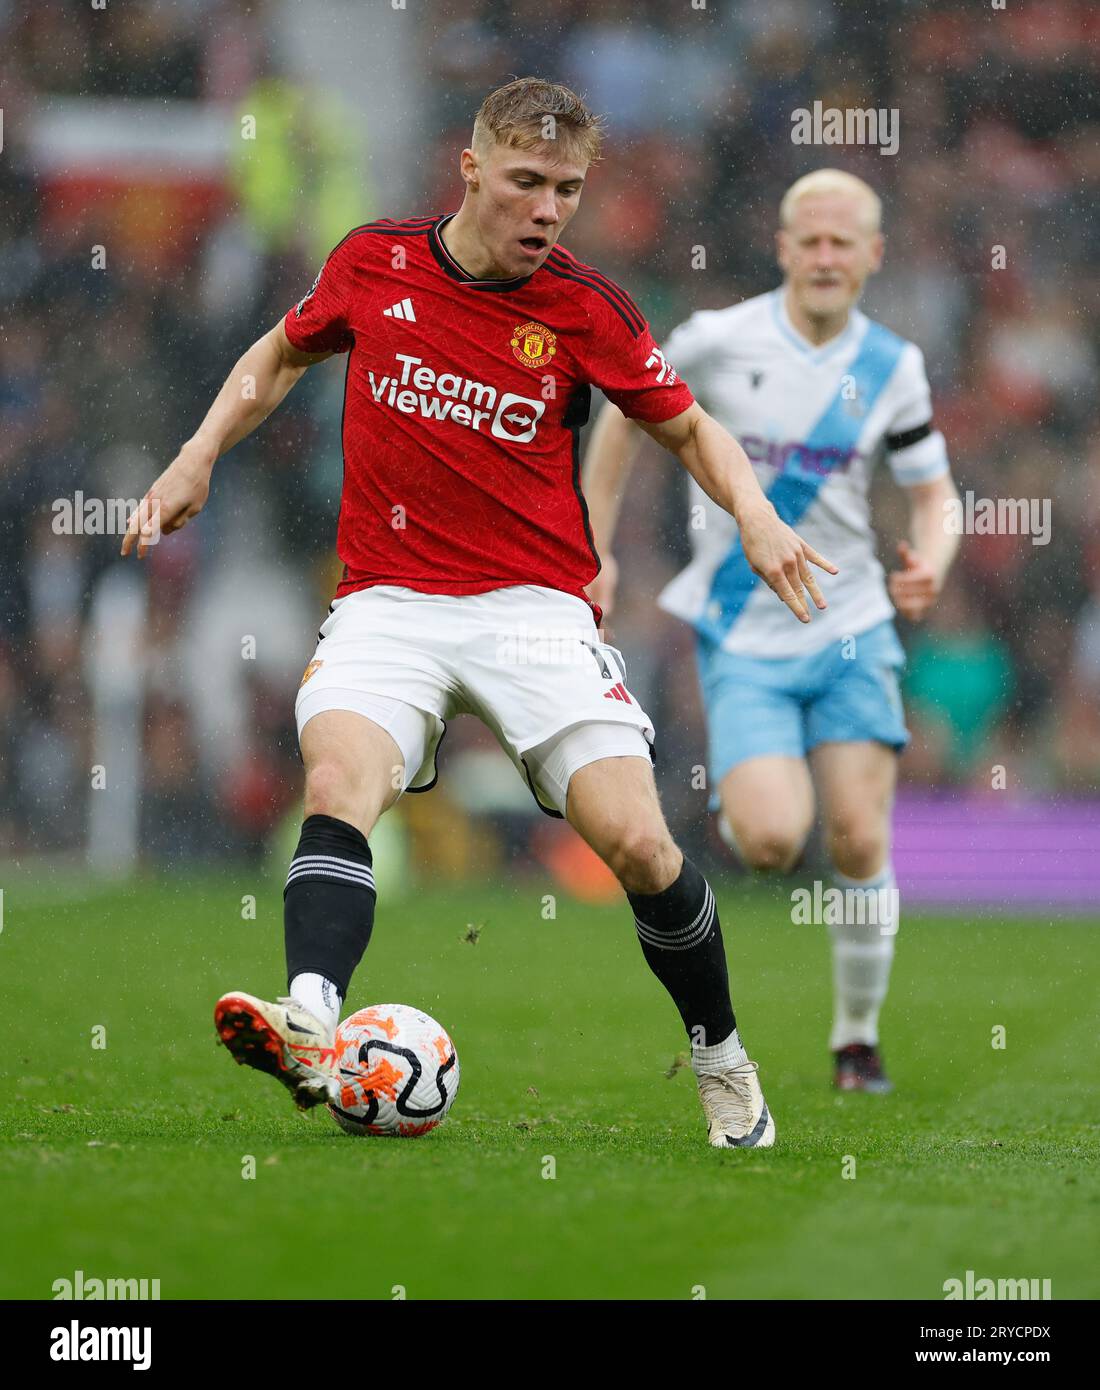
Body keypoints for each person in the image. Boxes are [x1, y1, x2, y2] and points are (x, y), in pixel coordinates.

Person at [122, 79, 836, 1149]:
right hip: (388, 601)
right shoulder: (374, 263)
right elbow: (275, 357)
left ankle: (721, 1056)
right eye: (526, 182)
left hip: (534, 611)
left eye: (568, 190)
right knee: (338, 783)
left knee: (641, 844)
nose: (548, 209)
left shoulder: (586, 310)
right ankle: (310, 1017)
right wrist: (195, 458)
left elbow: (689, 429)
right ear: (470, 168)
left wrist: (758, 516)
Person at [583, 170, 958, 1092]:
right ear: (784, 249)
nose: (825, 257)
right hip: (744, 632)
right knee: (772, 842)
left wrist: (936, 557)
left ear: (872, 255)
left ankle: (856, 1042)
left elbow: (935, 496)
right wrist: (596, 543)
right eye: (810, 241)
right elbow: (626, 413)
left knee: (859, 838)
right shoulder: (717, 340)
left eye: (843, 243)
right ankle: (752, 795)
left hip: (850, 624)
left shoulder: (894, 368)